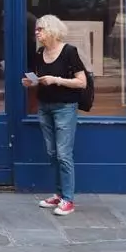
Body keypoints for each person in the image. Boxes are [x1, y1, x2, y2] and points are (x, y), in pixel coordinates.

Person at [22, 14, 87, 217]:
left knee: (64, 154)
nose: (36, 33)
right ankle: (59, 194)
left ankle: (68, 199)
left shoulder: (69, 52)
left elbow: (82, 82)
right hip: (45, 106)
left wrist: (56, 80)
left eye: (39, 29)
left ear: (50, 30)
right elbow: (39, 78)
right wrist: (31, 82)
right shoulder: (40, 53)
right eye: (36, 30)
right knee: (52, 153)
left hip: (65, 108)